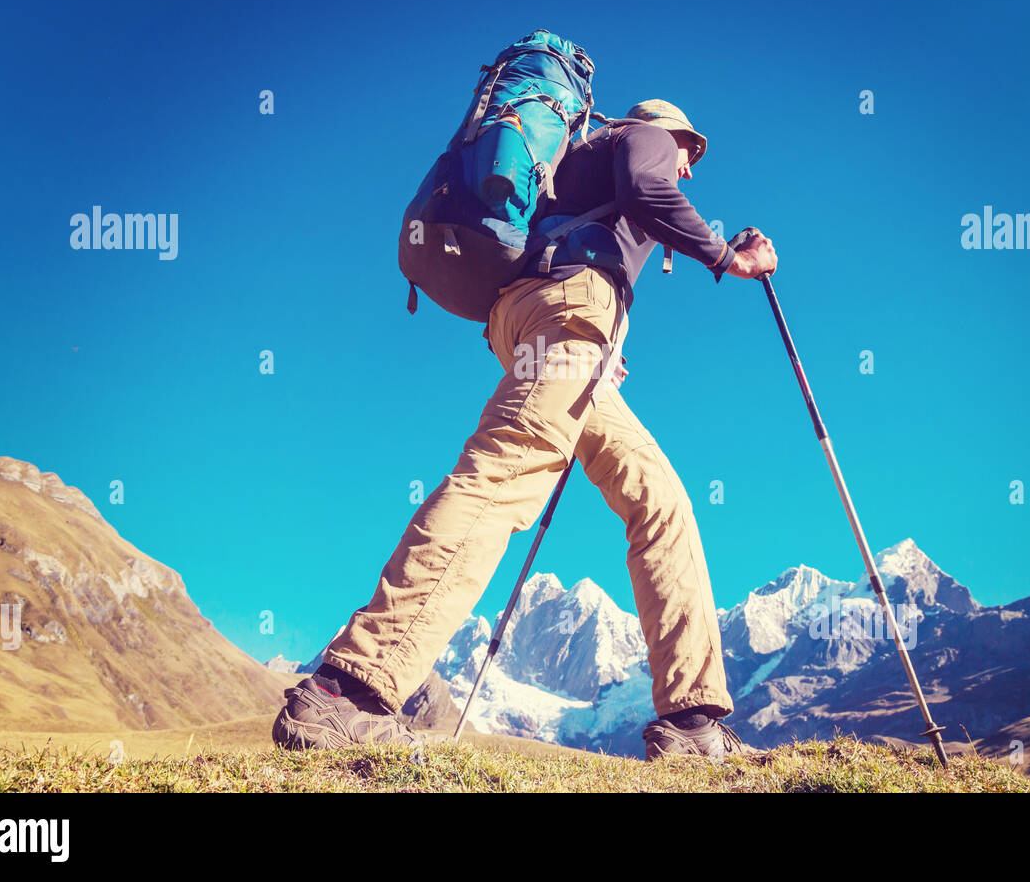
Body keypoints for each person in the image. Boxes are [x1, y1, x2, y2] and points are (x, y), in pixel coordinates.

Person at [273, 99, 778, 760]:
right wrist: (724, 256)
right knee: (505, 473)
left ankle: (692, 723)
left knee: (661, 499)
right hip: (568, 312)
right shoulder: (645, 137)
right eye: (693, 154)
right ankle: (349, 692)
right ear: (674, 134)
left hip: (550, 322)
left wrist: (600, 330)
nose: (689, 171)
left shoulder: (584, 163)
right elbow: (650, 189)